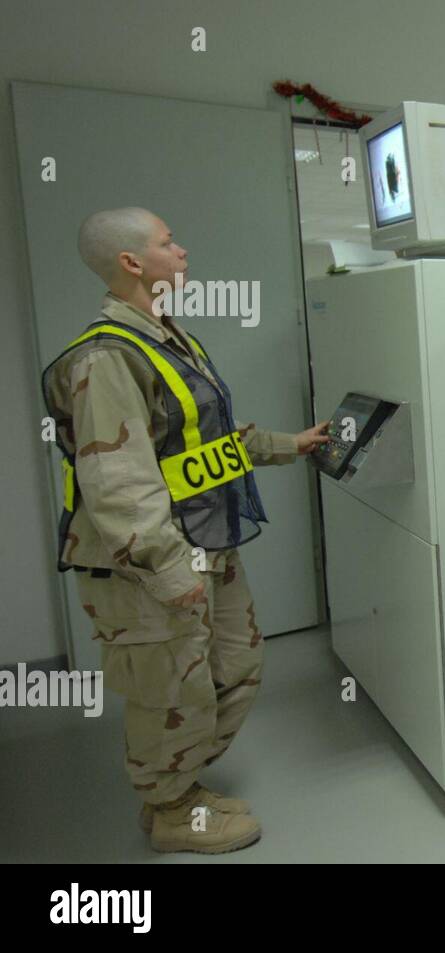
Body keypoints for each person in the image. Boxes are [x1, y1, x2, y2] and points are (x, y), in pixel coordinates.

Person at [42, 207, 329, 854]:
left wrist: (289, 444)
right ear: (132, 263)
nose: (183, 249)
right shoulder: (107, 358)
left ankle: (177, 783)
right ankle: (170, 808)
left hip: (205, 542)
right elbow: (118, 483)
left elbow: (199, 445)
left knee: (235, 666)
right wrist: (169, 570)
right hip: (150, 561)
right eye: (169, 242)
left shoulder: (170, 339)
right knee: (171, 685)